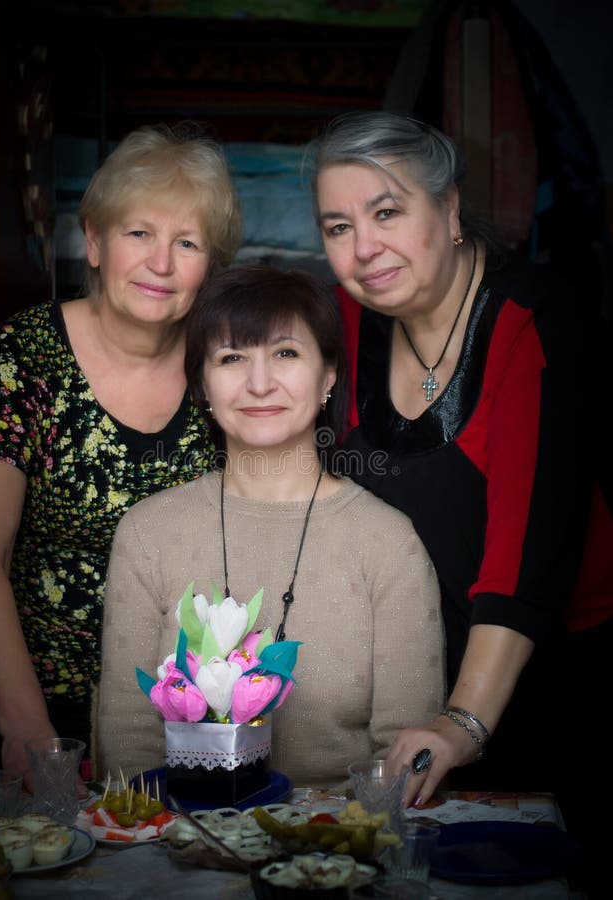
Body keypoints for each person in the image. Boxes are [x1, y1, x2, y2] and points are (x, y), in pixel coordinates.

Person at [310, 110, 613, 894]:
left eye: (386, 213)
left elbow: (528, 546)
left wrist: (465, 719)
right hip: (415, 678)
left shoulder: (534, 320)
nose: (363, 249)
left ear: (448, 211)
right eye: (337, 226)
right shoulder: (345, 321)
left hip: (553, 674)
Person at [0, 122, 243, 786]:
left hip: (196, 718)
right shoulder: (24, 355)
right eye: (139, 233)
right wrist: (29, 735)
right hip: (46, 715)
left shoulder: (224, 365)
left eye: (187, 243)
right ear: (96, 240)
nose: (161, 264)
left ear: (210, 267)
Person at [97, 263, 445, 786]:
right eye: (232, 358)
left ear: (328, 374)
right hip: (178, 836)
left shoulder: (387, 543)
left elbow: (400, 755)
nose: (260, 384)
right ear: (202, 386)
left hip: (339, 846)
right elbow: (128, 744)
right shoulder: (148, 534)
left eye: (286, 353)